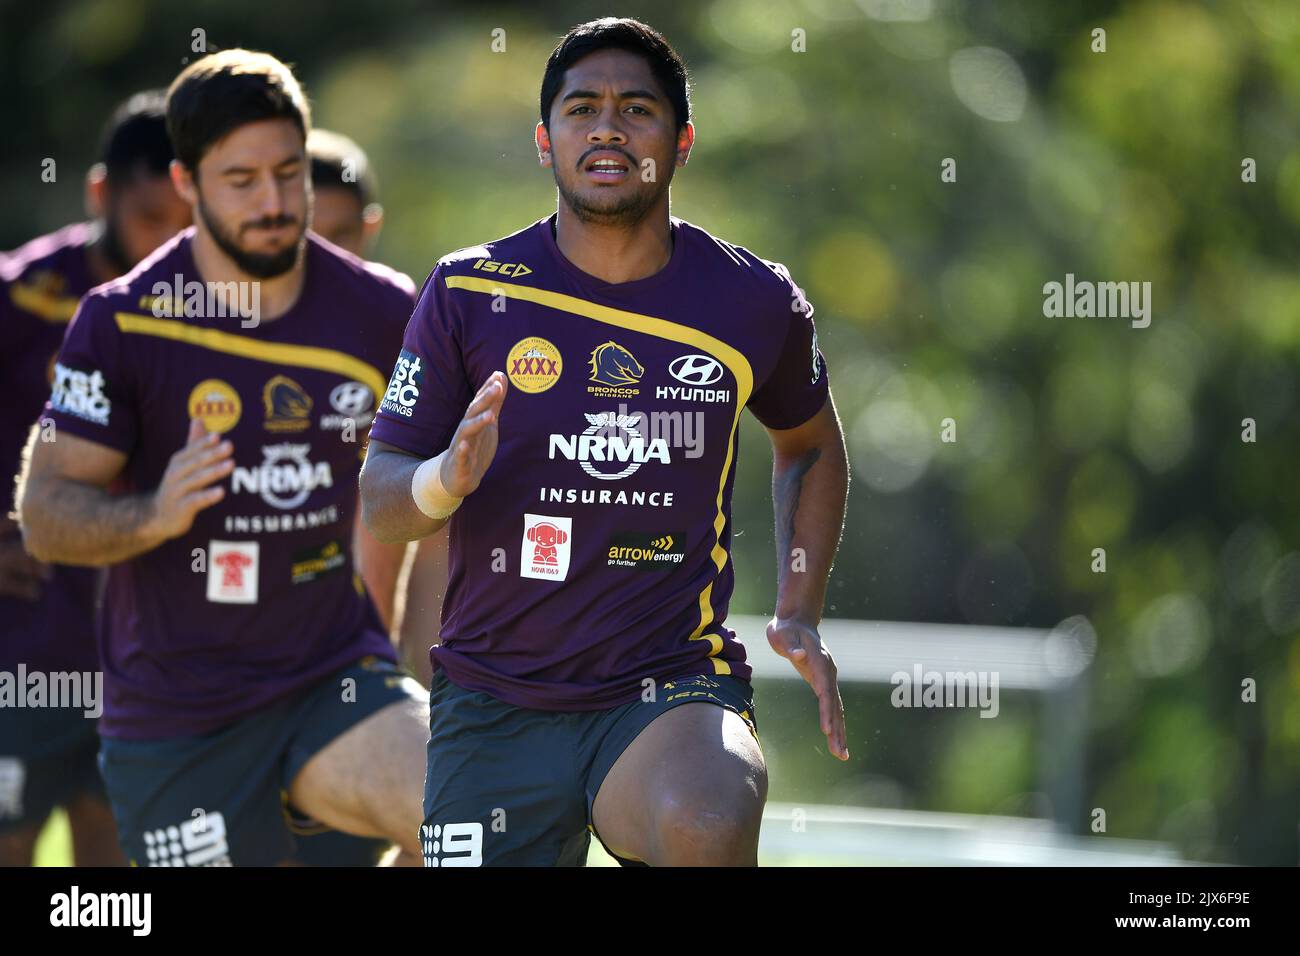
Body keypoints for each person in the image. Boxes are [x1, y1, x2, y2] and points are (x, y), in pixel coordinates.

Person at [360, 17, 850, 867]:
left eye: (638, 110)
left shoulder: (753, 299)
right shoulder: (469, 290)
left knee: (709, 821)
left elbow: (809, 444)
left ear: (683, 140)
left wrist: (798, 609)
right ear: (545, 142)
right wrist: (444, 477)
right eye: (582, 109)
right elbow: (382, 495)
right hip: (493, 699)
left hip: (666, 688)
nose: (609, 128)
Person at [18, 50, 428, 866]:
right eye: (241, 181)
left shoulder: (384, 311)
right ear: (188, 184)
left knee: (472, 820)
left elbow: (424, 499)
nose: (273, 203)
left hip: (334, 682)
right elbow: (46, 514)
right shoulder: (123, 322)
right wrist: (154, 513)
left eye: (288, 173)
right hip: (179, 720)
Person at [0, 90, 191, 867]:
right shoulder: (19, 294)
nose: (168, 245)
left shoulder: (205, 305)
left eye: (186, 223)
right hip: (24, 638)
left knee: (114, 861)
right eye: (150, 219)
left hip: (142, 642)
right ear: (100, 193)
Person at [307, 128, 447, 686]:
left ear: (372, 226)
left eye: (342, 235)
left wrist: (416, 675)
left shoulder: (401, 322)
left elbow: (430, 522)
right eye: (310, 240)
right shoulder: (236, 328)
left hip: (367, 610)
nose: (330, 258)